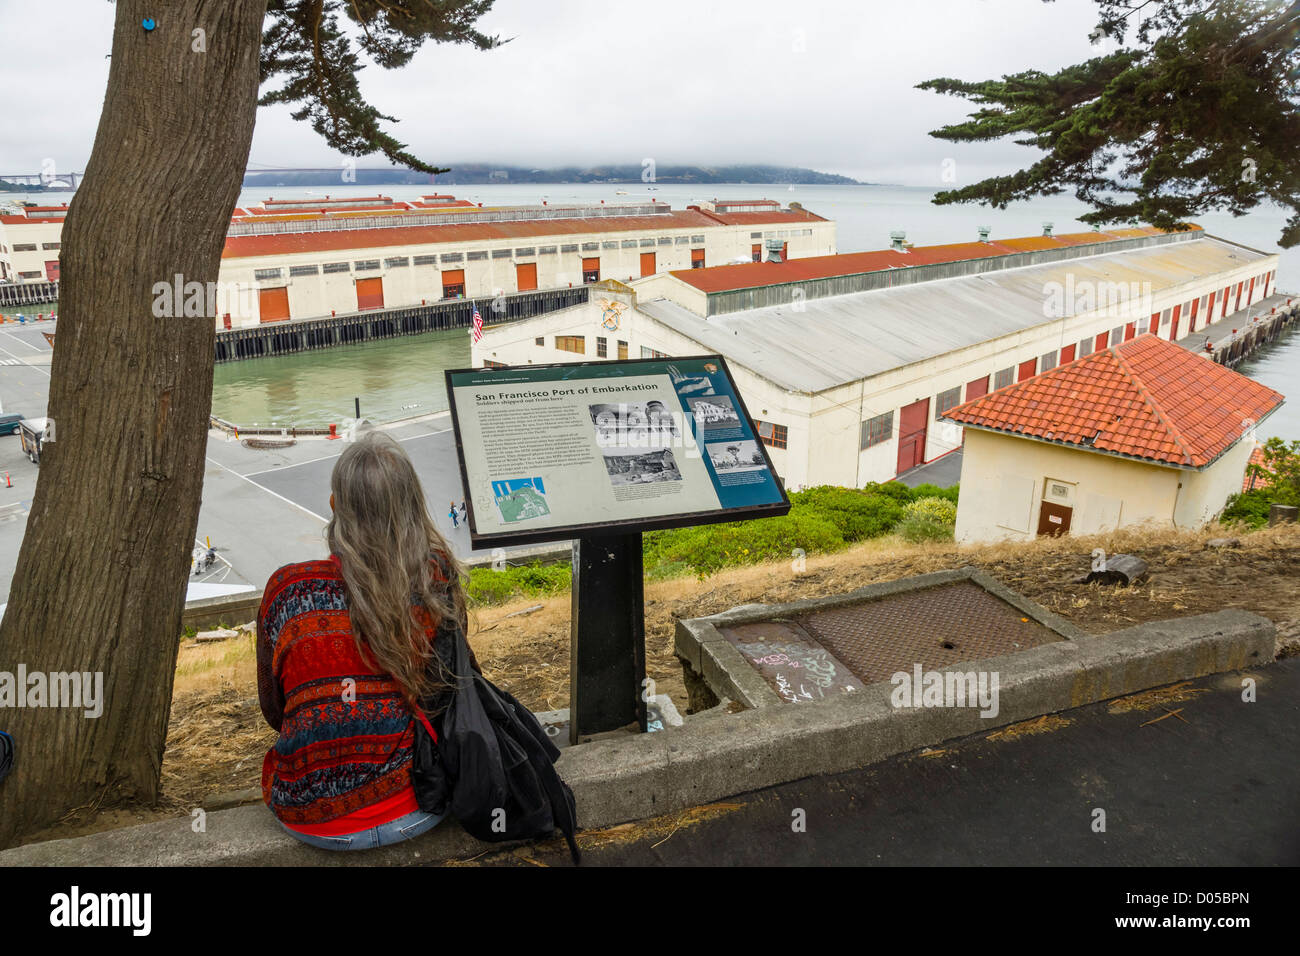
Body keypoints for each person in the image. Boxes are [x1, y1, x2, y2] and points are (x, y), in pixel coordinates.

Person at [256, 431, 479, 851]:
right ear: (413, 505)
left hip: (312, 819)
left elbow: (275, 710)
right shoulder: (435, 578)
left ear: (335, 506)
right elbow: (452, 691)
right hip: (419, 807)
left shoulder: (289, 590)